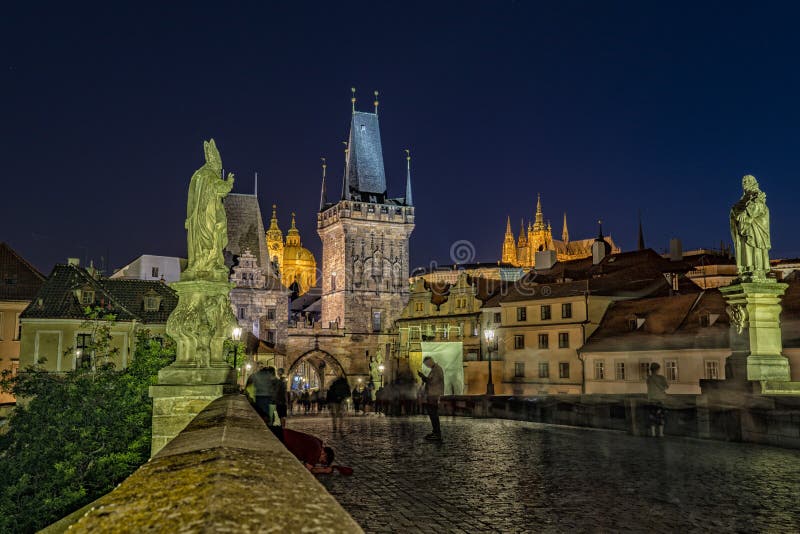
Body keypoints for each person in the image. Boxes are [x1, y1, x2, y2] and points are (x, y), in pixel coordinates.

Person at [419, 356, 444, 441]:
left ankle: (437, 433)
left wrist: (424, 378)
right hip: (432, 395)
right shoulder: (435, 369)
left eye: (426, 364)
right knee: (432, 414)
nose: (427, 366)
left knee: (433, 415)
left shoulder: (437, 370)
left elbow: (433, 382)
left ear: (430, 361)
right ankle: (435, 432)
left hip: (434, 395)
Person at [646, 362, 669, 437]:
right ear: (658, 369)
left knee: (652, 417)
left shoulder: (649, 378)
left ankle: (653, 433)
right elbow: (666, 387)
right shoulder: (661, 378)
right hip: (660, 400)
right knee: (661, 417)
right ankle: (661, 433)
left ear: (651, 370)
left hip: (652, 400)